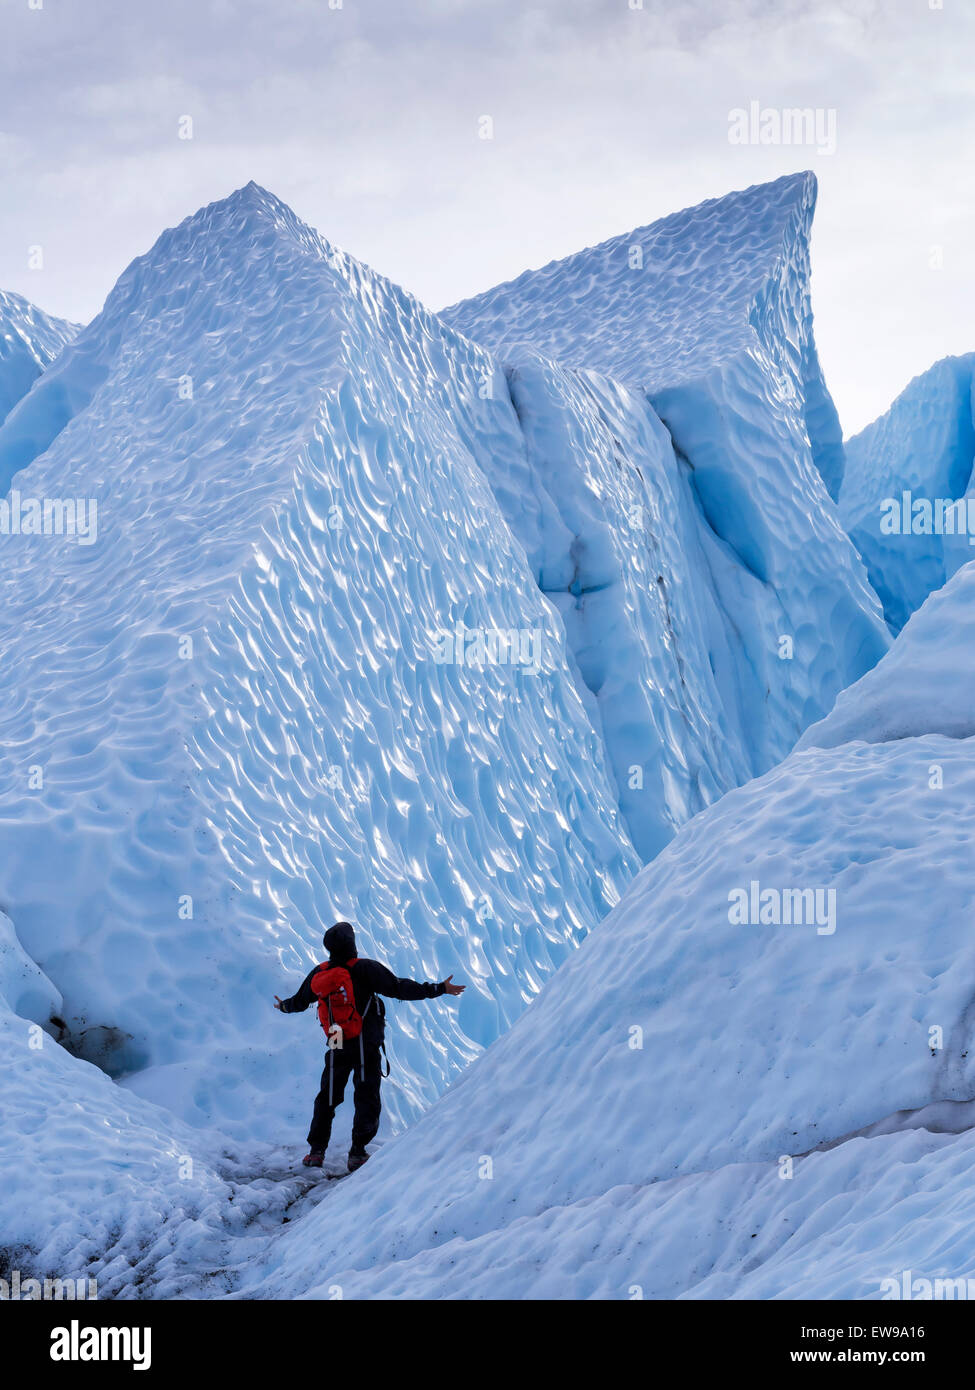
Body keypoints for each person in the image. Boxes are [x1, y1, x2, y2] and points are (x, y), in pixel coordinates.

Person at [275, 920, 464, 1171]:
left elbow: (300, 1001)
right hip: (365, 1043)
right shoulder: (364, 968)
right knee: (366, 1096)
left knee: (328, 1097)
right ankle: (357, 1153)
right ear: (352, 944)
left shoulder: (319, 973)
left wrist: (284, 1006)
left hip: (336, 1040)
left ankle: (316, 1151)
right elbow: (399, 988)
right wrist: (439, 988)